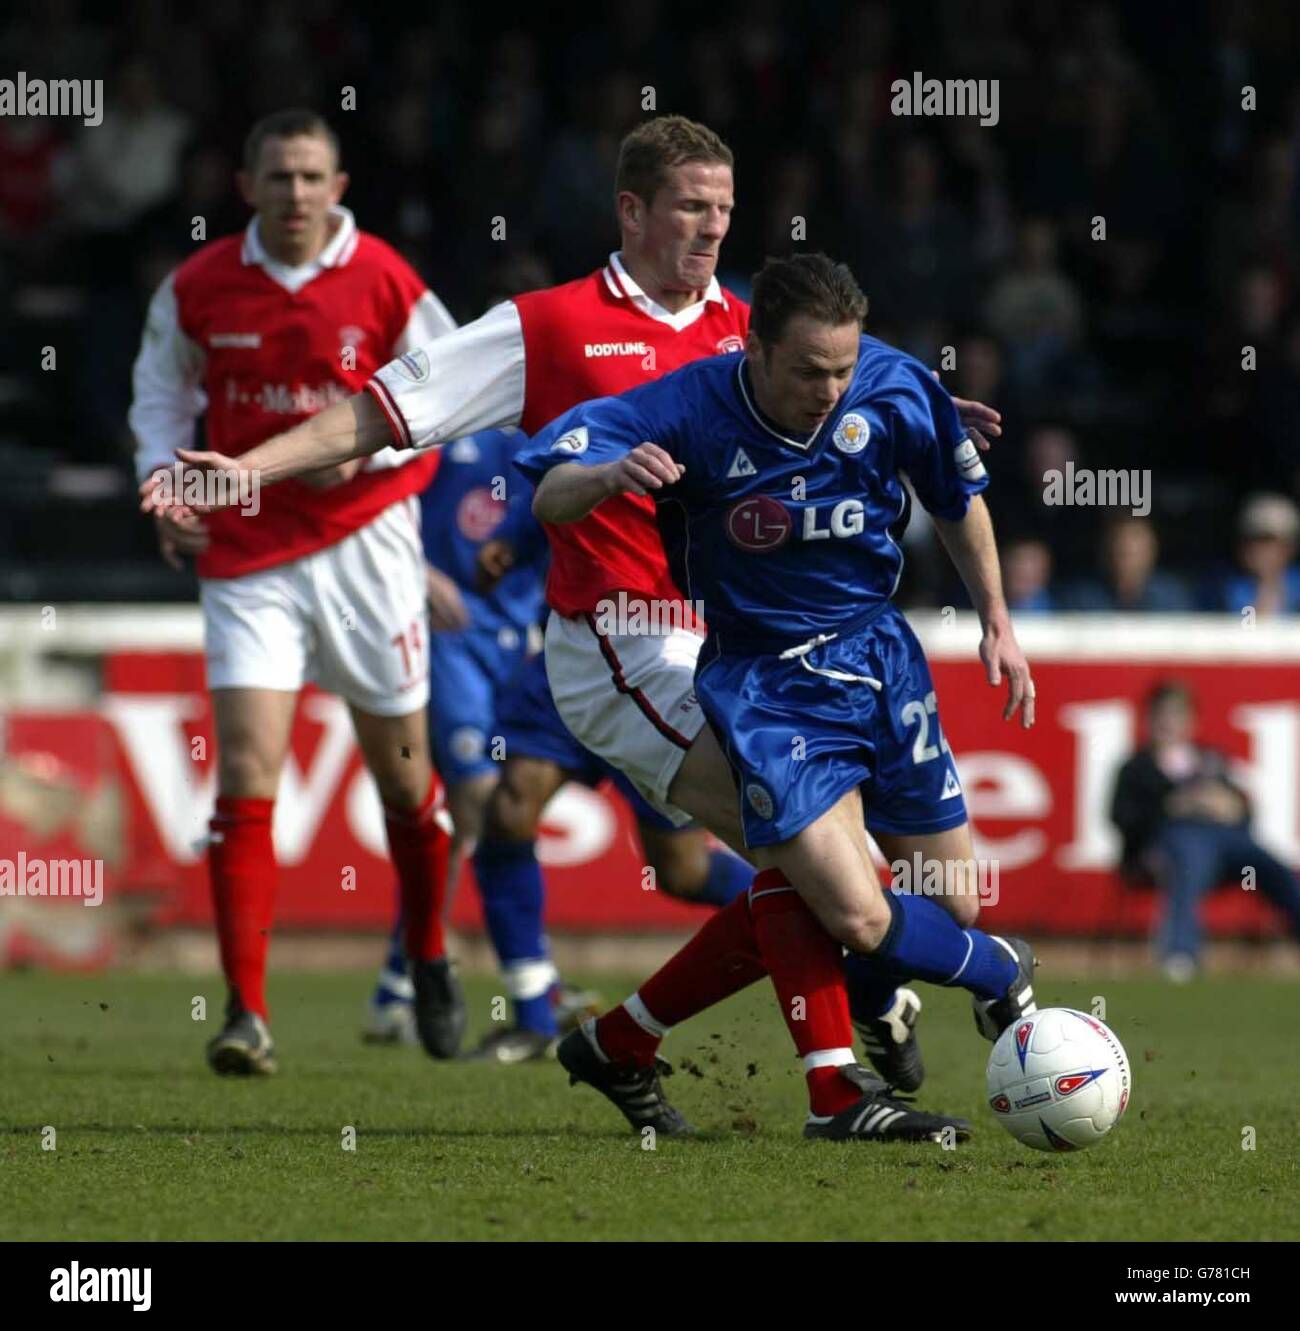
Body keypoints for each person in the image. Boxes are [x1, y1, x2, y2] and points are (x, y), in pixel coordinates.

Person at [140, 121, 1004, 1115]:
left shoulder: (754, 328)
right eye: (690, 205)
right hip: (624, 638)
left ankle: (625, 1041)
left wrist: (929, 409)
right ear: (630, 210)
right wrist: (242, 471)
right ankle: (842, 1077)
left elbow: (857, 390)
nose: (711, 227)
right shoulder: (549, 327)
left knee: (798, 866)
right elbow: (383, 411)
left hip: (754, 656)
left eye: (723, 208)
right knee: (812, 856)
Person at [519, 254, 1038, 1142]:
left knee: (945, 899)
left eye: (843, 367)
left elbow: (957, 497)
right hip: (765, 685)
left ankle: (640, 1038)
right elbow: (548, 492)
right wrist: (608, 477)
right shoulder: (683, 407)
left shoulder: (893, 384)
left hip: (879, 661)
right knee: (853, 904)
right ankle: (929, 1022)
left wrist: (996, 615)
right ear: (752, 346)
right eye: (808, 370)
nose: (830, 389)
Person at [129, 109, 458, 1075]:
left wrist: (354, 465)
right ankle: (246, 1012)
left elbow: (447, 395)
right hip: (248, 552)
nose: (297, 195)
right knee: (245, 771)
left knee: (405, 781)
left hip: (369, 545)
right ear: (247, 187)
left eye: (313, 177)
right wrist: (164, 484)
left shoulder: (389, 280)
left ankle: (430, 952)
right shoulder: (198, 286)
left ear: (339, 185)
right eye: (279, 178)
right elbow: (158, 397)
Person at [1110, 681, 1300, 981]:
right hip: (1169, 845)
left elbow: (1246, 812)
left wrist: (1230, 806)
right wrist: (1172, 805)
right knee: (1187, 862)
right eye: (1163, 715)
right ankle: (1180, 956)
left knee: (1273, 867)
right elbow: (1121, 818)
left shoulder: (1211, 760)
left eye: (1176, 715)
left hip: (1226, 843)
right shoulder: (1136, 767)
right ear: (1149, 719)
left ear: (1190, 721)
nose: (1169, 723)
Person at [1204, 493, 1300, 617]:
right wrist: (1266, 585)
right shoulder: (1225, 585)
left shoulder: (1296, 583)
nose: (1256, 548)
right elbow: (1249, 627)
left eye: (1266, 540)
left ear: (1289, 547)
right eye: (1249, 538)